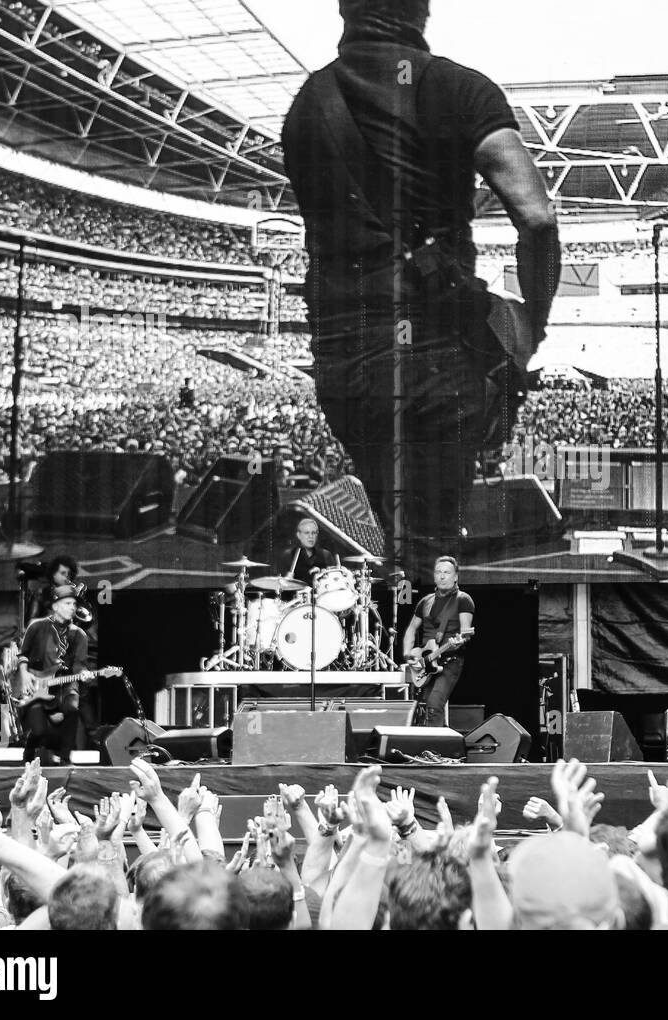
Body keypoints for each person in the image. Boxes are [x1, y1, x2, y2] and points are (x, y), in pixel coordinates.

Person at [282, 0, 561, 564]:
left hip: (342, 363)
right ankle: (424, 645)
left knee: (401, 537)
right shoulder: (457, 89)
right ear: (422, 12)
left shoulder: (307, 106)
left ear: (344, 10)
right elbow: (536, 216)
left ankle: (402, 629)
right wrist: (536, 322)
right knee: (430, 555)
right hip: (431, 359)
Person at [16, 585, 87, 764]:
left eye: (74, 604)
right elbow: (23, 655)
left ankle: (65, 759)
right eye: (68, 603)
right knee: (39, 732)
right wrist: (25, 674)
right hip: (37, 686)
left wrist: (84, 674)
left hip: (64, 687)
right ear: (55, 606)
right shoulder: (37, 626)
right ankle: (31, 747)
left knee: (72, 710)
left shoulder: (79, 635)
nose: (73, 607)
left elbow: (79, 665)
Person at [403, 555, 474, 727]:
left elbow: (465, 632)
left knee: (434, 705)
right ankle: (435, 743)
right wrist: (408, 653)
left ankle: (434, 751)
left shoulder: (463, 600)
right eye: (439, 572)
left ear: (456, 576)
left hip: (450, 661)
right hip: (426, 662)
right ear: (434, 576)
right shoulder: (425, 602)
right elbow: (412, 629)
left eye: (447, 573)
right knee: (426, 706)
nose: (442, 576)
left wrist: (460, 641)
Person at [279, 518, 338, 585]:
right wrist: (286, 580)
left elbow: (333, 581)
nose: (311, 536)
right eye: (307, 533)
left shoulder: (326, 555)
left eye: (314, 533)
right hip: (298, 594)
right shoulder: (289, 555)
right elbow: (280, 583)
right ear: (299, 535)